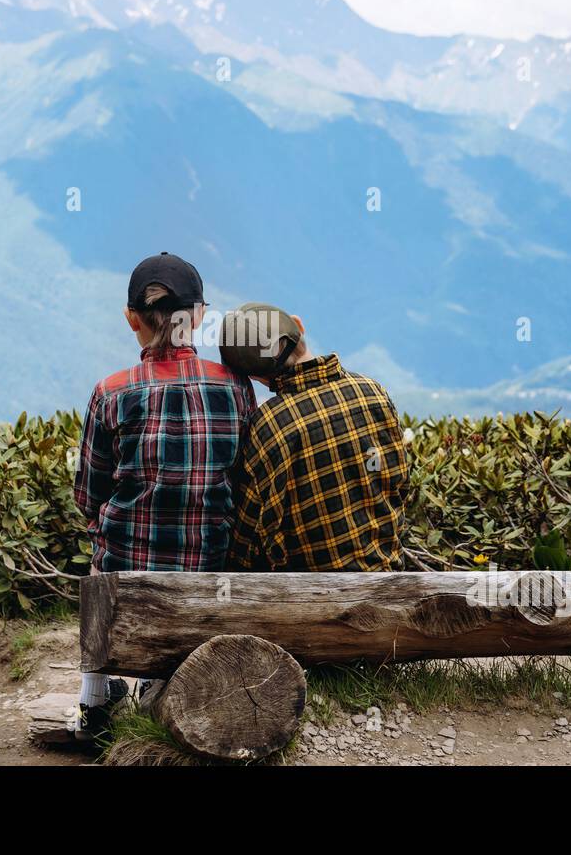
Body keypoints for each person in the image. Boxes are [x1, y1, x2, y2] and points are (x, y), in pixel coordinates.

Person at [72, 253, 256, 737]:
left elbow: (88, 496)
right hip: (208, 570)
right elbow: (243, 481)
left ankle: (93, 699)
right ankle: (158, 683)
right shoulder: (235, 387)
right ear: (198, 315)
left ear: (131, 318)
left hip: (127, 573)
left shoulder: (111, 392)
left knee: (101, 551)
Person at [219, 302, 406, 571]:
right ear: (299, 324)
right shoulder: (373, 392)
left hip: (308, 598)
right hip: (386, 577)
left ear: (256, 377)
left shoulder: (269, 425)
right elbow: (399, 485)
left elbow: (247, 537)